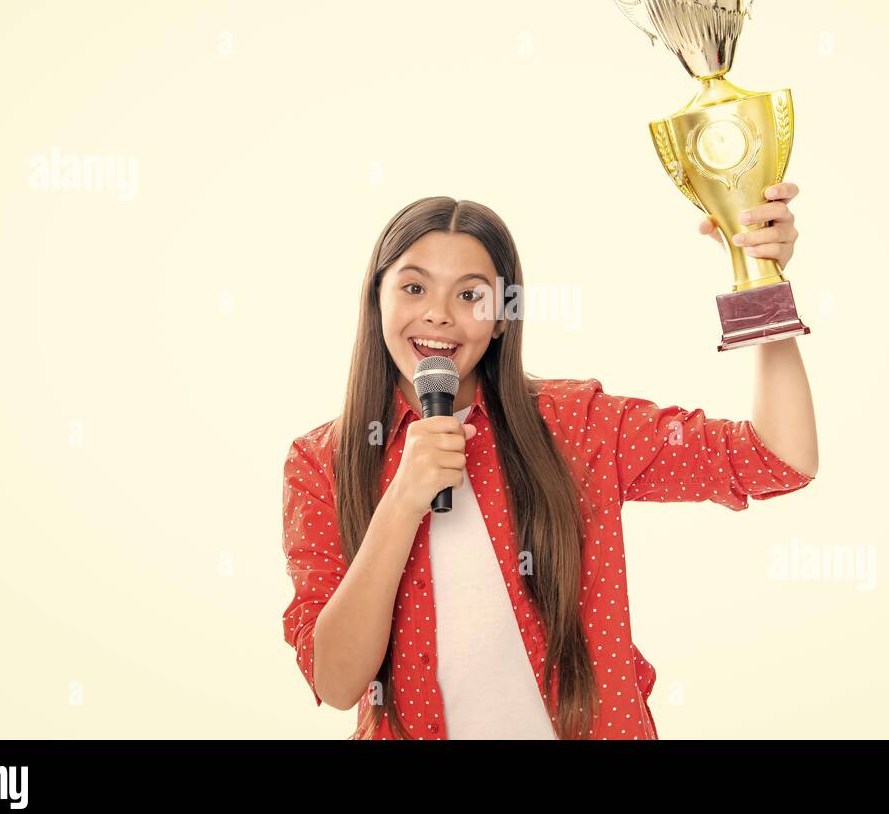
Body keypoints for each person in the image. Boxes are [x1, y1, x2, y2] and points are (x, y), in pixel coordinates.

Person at [281, 190, 818, 739]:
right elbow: (339, 682)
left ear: (501, 320)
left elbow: (777, 457)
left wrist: (762, 277)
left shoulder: (575, 426)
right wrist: (401, 500)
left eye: (470, 294)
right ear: (376, 301)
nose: (438, 314)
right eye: (414, 287)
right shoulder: (321, 462)